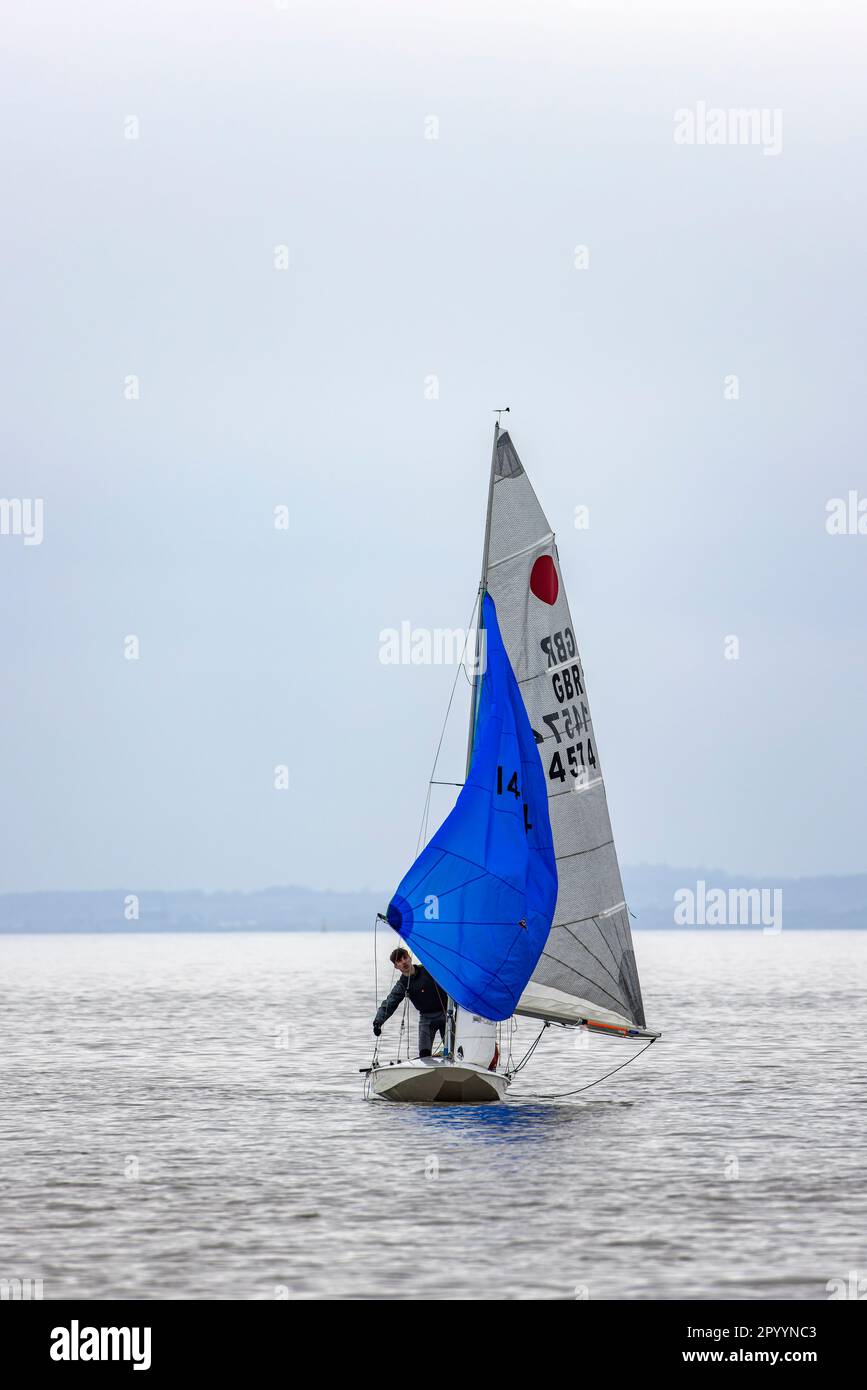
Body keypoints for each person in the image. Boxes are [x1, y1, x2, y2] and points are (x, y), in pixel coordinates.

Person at [373, 948, 448, 1057]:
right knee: (424, 1055)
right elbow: (390, 1003)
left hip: (447, 1015)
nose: (403, 962)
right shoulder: (402, 985)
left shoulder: (429, 969)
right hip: (426, 1020)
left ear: (410, 958)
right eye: (399, 961)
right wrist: (378, 1022)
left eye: (405, 958)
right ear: (396, 966)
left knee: (453, 1052)